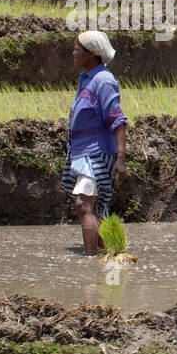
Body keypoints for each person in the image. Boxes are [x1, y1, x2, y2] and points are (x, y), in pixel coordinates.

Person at [62, 31, 128, 256]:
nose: (73, 53)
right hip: (83, 154)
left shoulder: (104, 80)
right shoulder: (87, 80)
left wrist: (121, 157)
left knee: (84, 204)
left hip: (96, 154)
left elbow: (117, 119)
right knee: (94, 207)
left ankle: (90, 262)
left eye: (77, 49)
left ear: (91, 53)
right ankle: (105, 253)